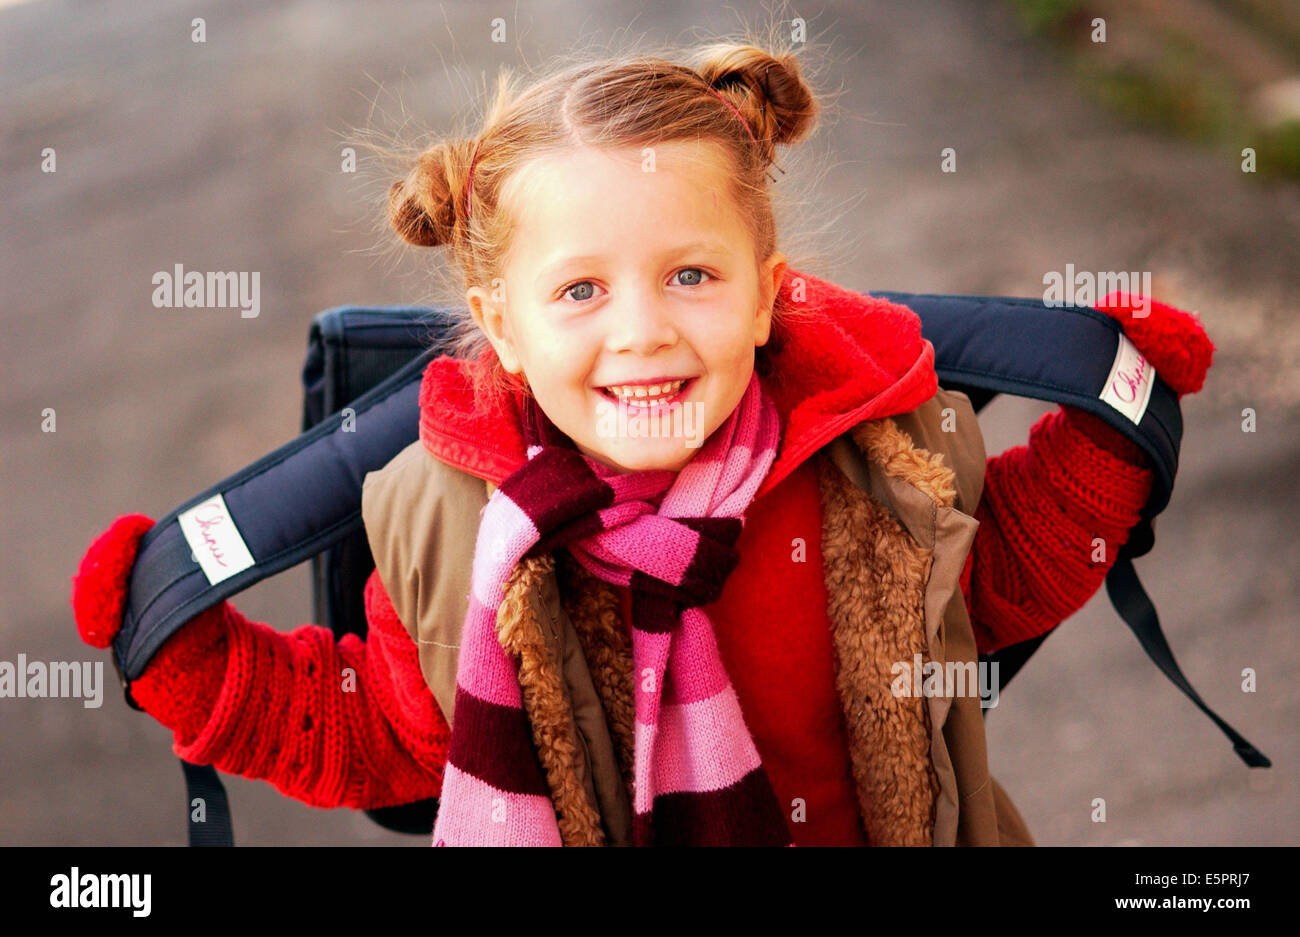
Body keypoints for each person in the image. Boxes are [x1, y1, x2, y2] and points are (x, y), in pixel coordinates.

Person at [71, 41, 1214, 846]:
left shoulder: (874, 452)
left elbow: (992, 582)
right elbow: (384, 727)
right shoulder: (464, 525)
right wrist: (202, 670)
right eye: (579, 290)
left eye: (691, 275)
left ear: (768, 297)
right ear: (502, 330)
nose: (642, 330)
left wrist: (1104, 446)